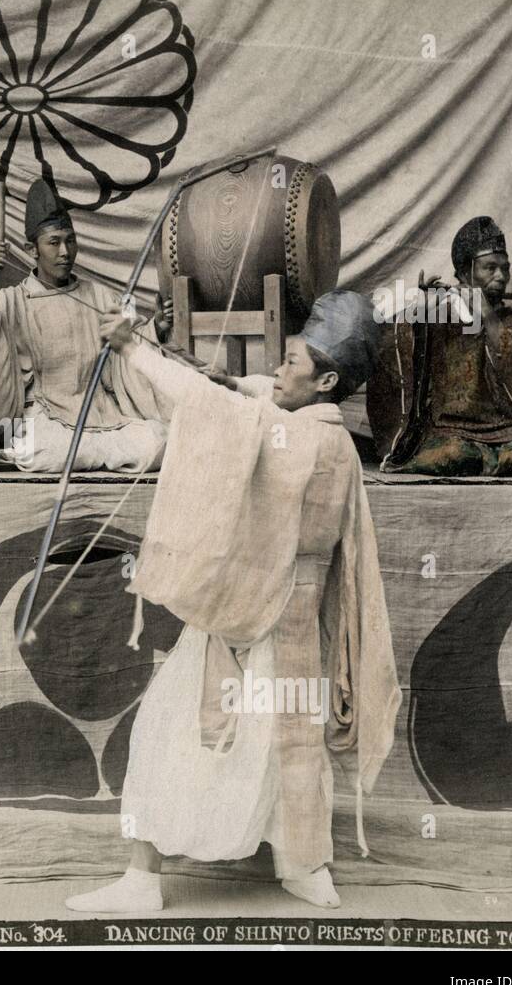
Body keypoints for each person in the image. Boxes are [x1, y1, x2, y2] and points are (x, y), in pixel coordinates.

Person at [64, 290, 402, 913]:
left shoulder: (296, 440)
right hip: (295, 626)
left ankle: (143, 879)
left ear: (325, 379)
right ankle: (305, 867)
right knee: (292, 747)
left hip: (252, 613)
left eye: (292, 361)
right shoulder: (336, 443)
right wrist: (237, 381)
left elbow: (209, 407)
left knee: (171, 730)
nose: (278, 369)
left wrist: (134, 348)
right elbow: (253, 400)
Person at [0, 178, 173, 472]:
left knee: (160, 440)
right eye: (54, 242)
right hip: (46, 417)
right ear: (32, 248)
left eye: (70, 240)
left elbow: (131, 341)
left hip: (103, 412)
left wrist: (157, 326)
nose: (65, 252)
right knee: (44, 451)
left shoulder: (101, 295)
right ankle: (106, 458)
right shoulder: (12, 300)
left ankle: (97, 456)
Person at [368, 216, 512, 476]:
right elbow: (391, 346)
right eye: (490, 268)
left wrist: (488, 316)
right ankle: (485, 461)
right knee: (453, 454)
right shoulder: (440, 313)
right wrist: (420, 316)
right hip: (450, 432)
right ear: (464, 273)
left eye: (505, 268)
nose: (501, 276)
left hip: (507, 432)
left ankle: (489, 458)